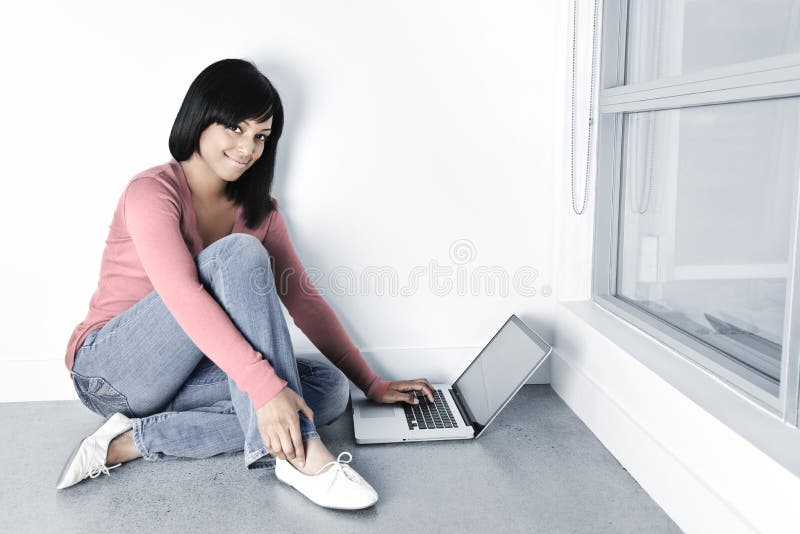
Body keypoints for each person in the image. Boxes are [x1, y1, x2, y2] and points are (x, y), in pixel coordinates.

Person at [56, 58, 435, 510]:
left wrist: (370, 383)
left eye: (260, 136)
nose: (247, 147)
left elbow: (304, 301)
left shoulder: (260, 213)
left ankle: (131, 441)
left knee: (328, 390)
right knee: (237, 254)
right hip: (110, 372)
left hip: (187, 378)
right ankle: (300, 457)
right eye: (236, 128)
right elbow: (183, 296)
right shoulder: (151, 192)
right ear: (200, 118)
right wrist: (266, 389)